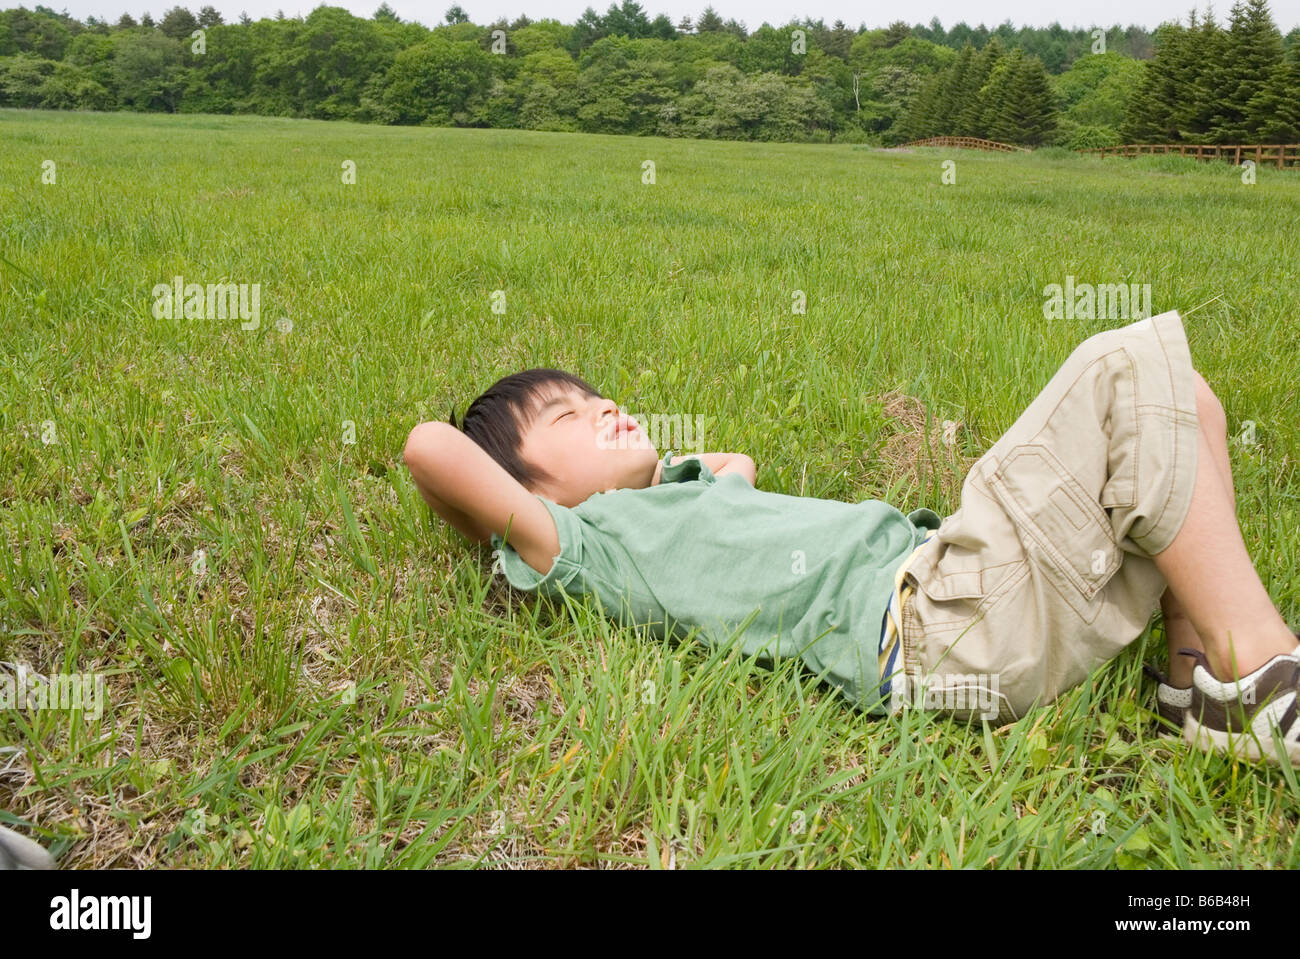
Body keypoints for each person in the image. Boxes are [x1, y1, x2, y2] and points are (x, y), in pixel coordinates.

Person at [403, 310, 1300, 766]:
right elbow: (429, 448)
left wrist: (647, 463)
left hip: (960, 589)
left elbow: (736, 462)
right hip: (930, 622)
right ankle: (1260, 663)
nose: (601, 406)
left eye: (597, 394)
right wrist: (512, 513)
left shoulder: (674, 506)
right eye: (564, 413)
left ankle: (1200, 687)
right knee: (1120, 368)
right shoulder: (588, 544)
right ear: (523, 497)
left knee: (1188, 402)